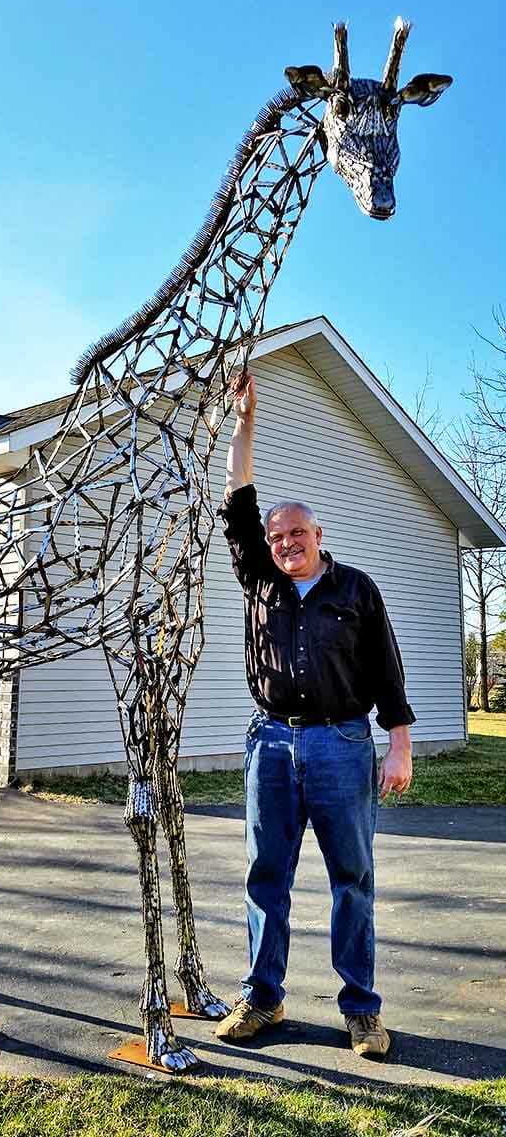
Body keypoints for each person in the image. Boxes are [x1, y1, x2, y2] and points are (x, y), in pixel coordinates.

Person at [214, 374, 414, 1057]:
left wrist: (400, 744)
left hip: (341, 743)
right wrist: (245, 420)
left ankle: (360, 1008)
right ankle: (263, 999)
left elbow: (387, 668)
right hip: (270, 744)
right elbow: (238, 493)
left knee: (352, 876)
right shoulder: (260, 578)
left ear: (318, 534)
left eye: (297, 532)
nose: (286, 542)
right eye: (276, 534)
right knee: (265, 874)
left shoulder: (356, 588)